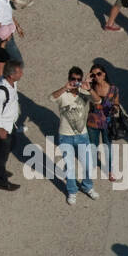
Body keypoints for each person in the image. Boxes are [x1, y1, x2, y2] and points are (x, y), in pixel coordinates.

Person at [51, 67, 99, 205]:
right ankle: (72, 191)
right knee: (70, 167)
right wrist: (64, 87)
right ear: (69, 78)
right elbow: (51, 97)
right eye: (73, 79)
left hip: (82, 135)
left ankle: (87, 186)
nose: (76, 82)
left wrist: (89, 89)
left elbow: (98, 101)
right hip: (65, 136)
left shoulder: (84, 92)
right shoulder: (63, 94)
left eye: (78, 79)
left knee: (88, 165)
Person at [86, 63, 123, 182]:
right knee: (93, 146)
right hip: (93, 122)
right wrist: (86, 81)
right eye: (94, 74)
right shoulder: (90, 88)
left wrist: (115, 108)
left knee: (108, 146)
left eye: (99, 74)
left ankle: (110, 170)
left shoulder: (113, 89)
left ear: (104, 74)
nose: (97, 76)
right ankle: (92, 165)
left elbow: (117, 103)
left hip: (107, 123)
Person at [0, 61, 23, 191]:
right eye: (19, 72)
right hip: (2, 128)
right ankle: (2, 181)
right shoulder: (0, 93)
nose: (22, 73)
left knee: (11, 145)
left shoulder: (12, 83)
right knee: (1, 156)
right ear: (10, 75)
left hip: (10, 125)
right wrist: (0, 130)